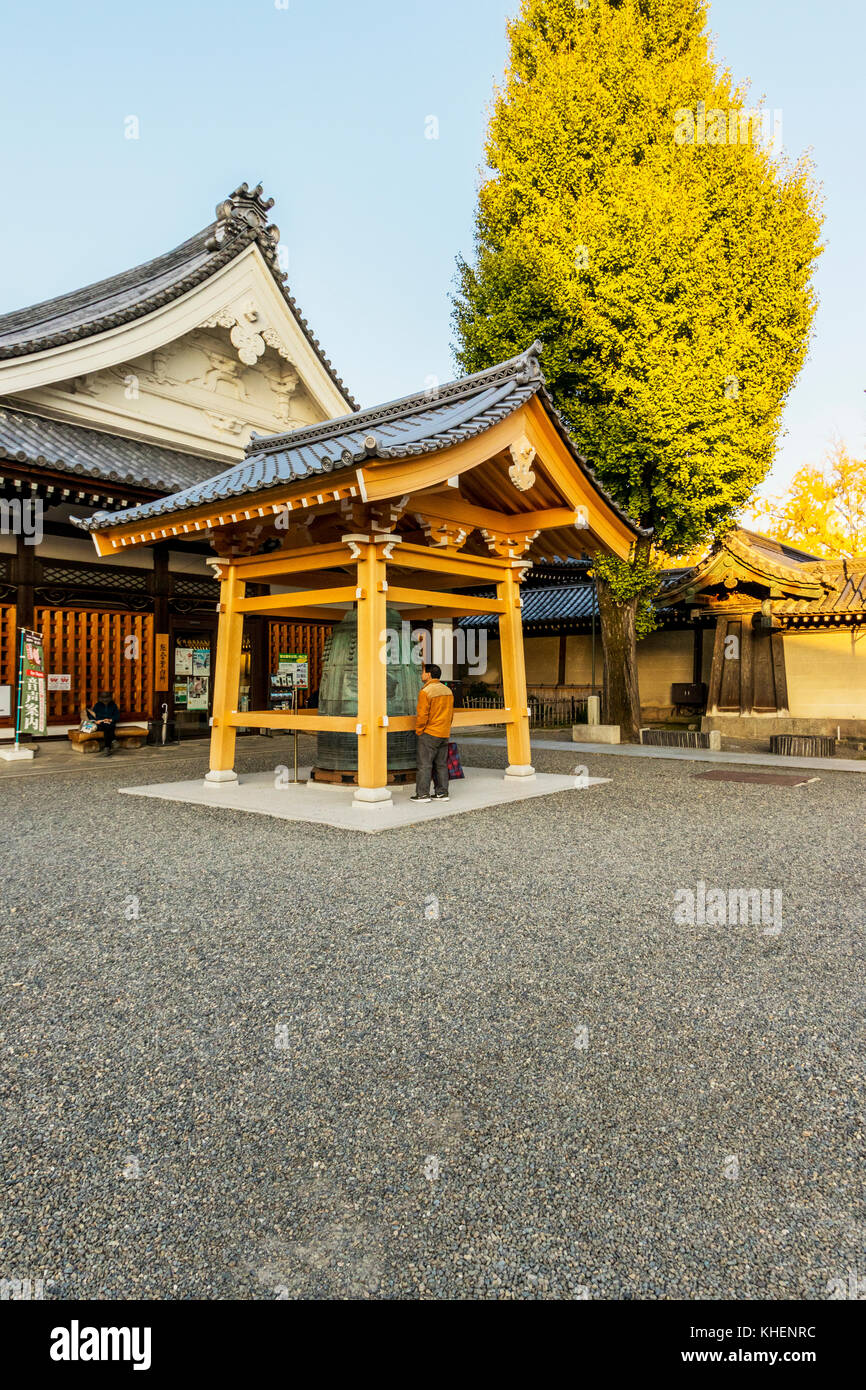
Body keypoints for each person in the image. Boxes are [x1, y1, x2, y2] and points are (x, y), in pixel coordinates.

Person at [411, 664, 454, 803]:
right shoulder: (448, 691)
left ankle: (423, 794)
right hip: (444, 732)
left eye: (423, 672)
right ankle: (442, 793)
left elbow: (422, 715)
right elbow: (450, 714)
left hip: (429, 733)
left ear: (428, 674)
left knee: (424, 764)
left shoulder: (426, 691)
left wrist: (419, 731)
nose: (421, 675)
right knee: (441, 764)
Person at [87, 689, 121, 755]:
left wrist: (111, 720)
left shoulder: (113, 705)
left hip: (110, 723)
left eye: (107, 698)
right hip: (100, 724)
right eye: (103, 698)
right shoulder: (97, 705)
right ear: (100, 698)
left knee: (108, 727)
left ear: (110, 698)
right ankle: (112, 740)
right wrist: (96, 721)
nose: (105, 700)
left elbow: (117, 716)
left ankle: (107, 747)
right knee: (107, 727)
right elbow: (92, 715)